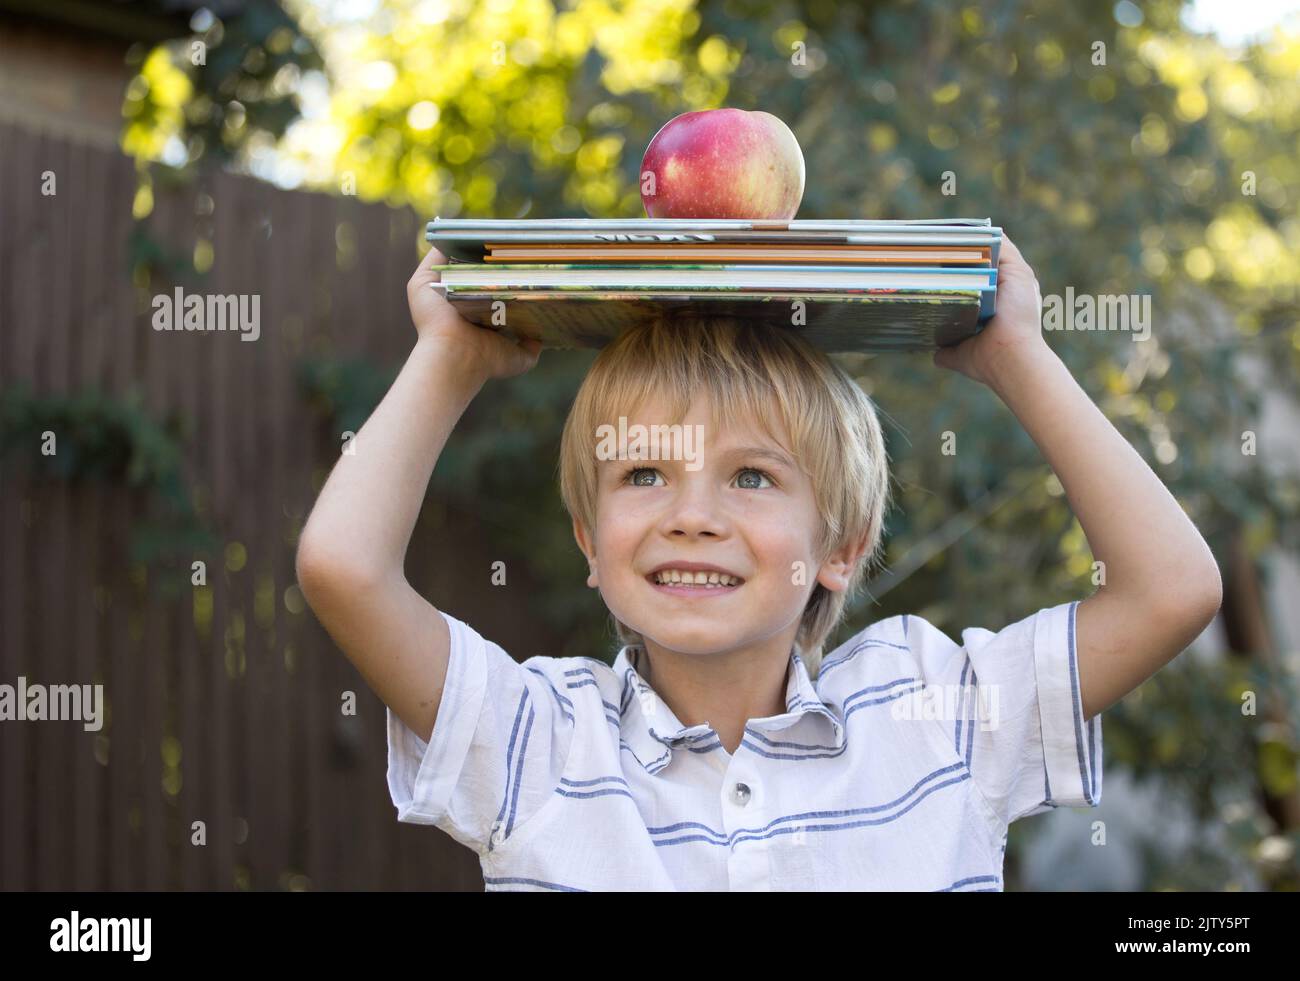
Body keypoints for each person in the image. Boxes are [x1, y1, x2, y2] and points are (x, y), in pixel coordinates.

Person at [295, 236, 1222, 891]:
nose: (692, 516)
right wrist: (449, 357)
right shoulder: (537, 740)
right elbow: (345, 567)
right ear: (588, 537)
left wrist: (1019, 355)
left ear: (841, 547)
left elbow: (1171, 588)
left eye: (750, 476)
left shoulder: (934, 716)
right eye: (645, 471)